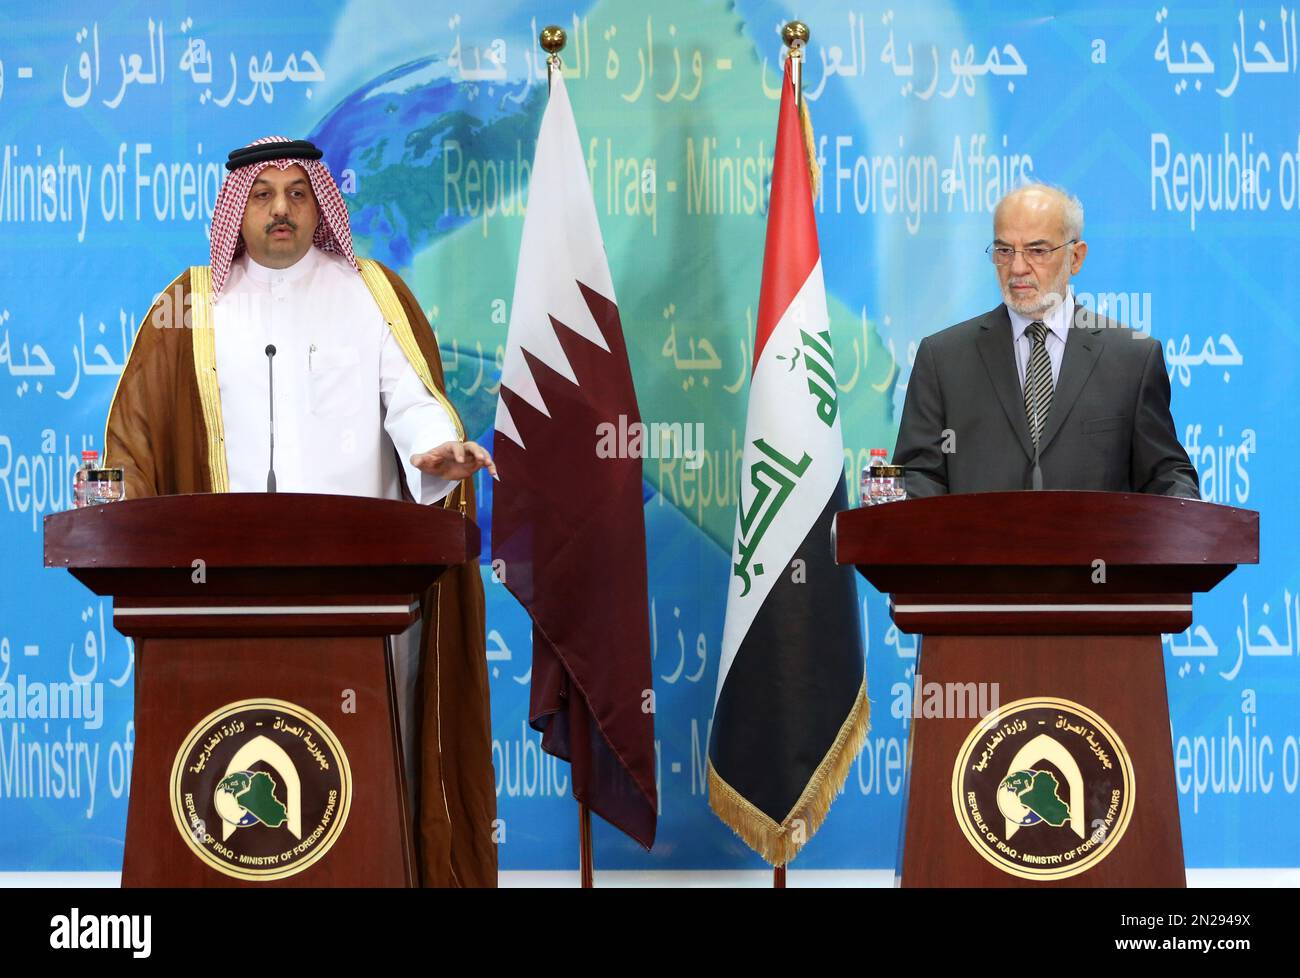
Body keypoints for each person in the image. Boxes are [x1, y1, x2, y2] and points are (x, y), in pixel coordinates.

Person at [105, 135, 497, 886]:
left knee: (363, 772)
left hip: (365, 596)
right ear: (236, 209)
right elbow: (137, 439)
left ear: (320, 203)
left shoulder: (368, 291)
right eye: (262, 195)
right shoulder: (189, 307)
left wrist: (439, 451)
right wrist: (114, 506)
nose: (280, 210)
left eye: (296, 193)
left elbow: (413, 404)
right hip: (218, 593)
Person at [892, 183, 1200, 498]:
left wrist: (1186, 519)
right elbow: (918, 476)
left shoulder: (1132, 359)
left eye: (1037, 250)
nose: (1018, 267)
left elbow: (1166, 476)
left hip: (1094, 548)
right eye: (1004, 250)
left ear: (1076, 257)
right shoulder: (943, 360)